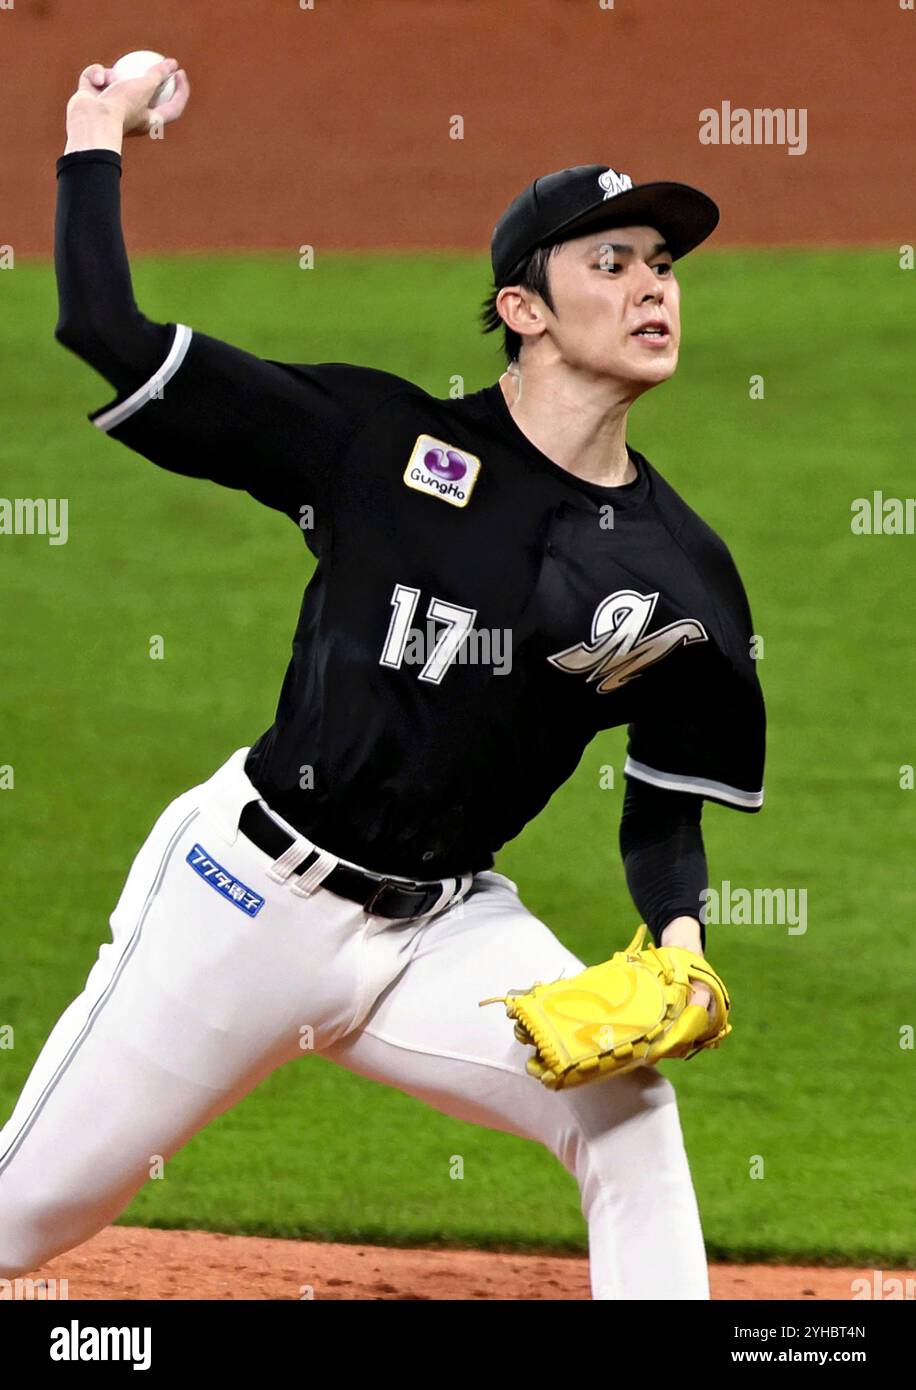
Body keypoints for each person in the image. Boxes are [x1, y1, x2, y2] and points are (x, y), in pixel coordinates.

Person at [0, 58, 765, 1299]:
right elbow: (108, 333)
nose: (651, 289)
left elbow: (665, 795)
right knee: (24, 1219)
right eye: (610, 263)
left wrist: (676, 933)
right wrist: (95, 134)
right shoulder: (378, 445)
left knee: (628, 1111)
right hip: (242, 894)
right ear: (522, 309)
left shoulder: (682, 573)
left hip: (446, 931)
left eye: (663, 265)